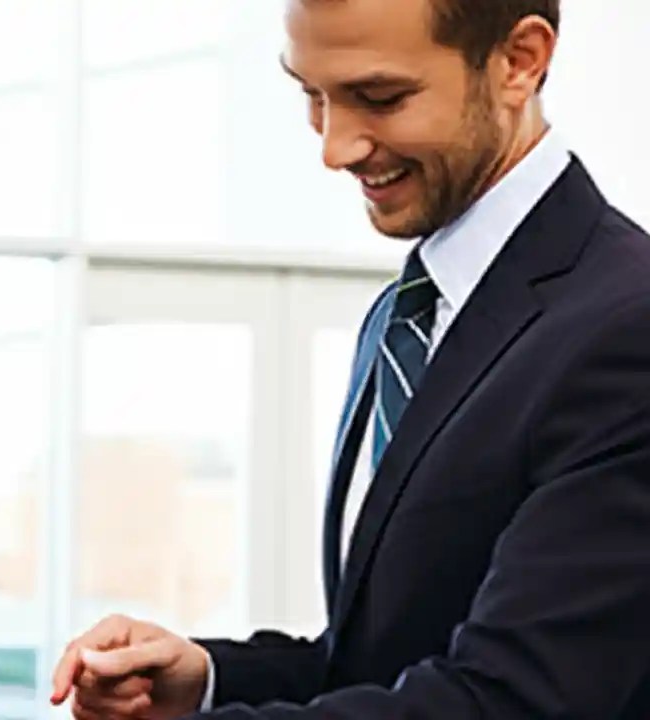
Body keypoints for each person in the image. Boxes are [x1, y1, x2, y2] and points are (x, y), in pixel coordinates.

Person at [51, 0, 650, 718]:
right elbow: (380, 659)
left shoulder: (628, 328)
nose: (334, 148)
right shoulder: (407, 315)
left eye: (379, 97)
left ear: (519, 61)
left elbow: (511, 700)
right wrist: (210, 680)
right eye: (313, 94)